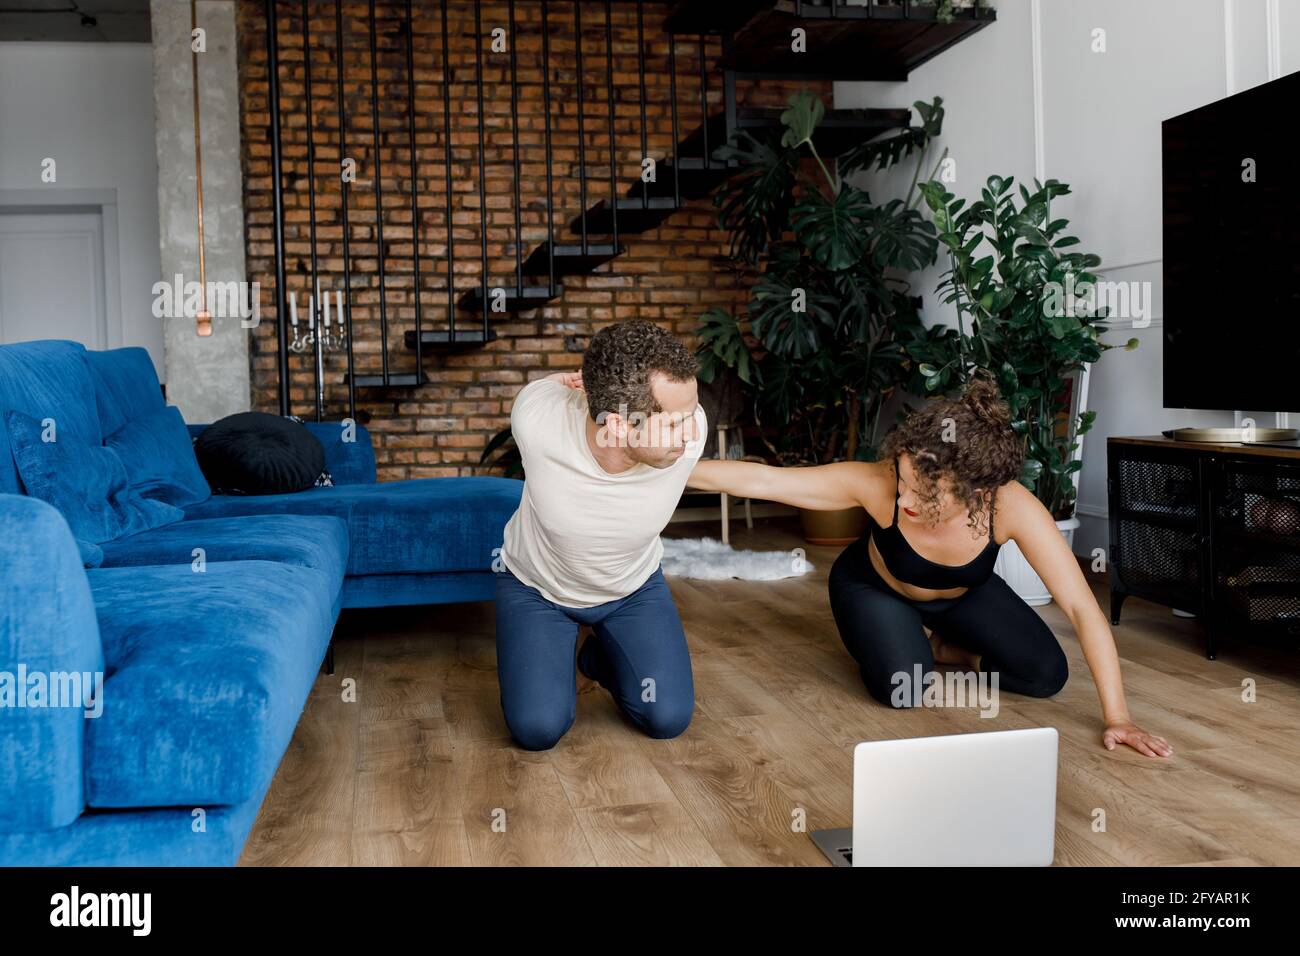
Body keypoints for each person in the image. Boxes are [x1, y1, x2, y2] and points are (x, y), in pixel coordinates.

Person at [687, 377, 1173, 758]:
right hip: (875, 586)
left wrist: (1119, 718)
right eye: (902, 481)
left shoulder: (1011, 507)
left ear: (975, 492)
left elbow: (1081, 608)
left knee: (1046, 675)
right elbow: (766, 480)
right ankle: (914, 644)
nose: (904, 498)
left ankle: (945, 648)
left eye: (924, 493)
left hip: (961, 596)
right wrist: (666, 466)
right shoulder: (878, 486)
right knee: (903, 689)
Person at [495, 320, 707, 751]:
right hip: (537, 587)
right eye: (673, 424)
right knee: (537, 728)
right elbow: (540, 391)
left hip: (632, 587)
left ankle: (593, 658)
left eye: (692, 413)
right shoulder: (538, 423)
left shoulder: (691, 430)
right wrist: (564, 382)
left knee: (666, 717)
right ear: (616, 424)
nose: (691, 433)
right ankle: (559, 655)